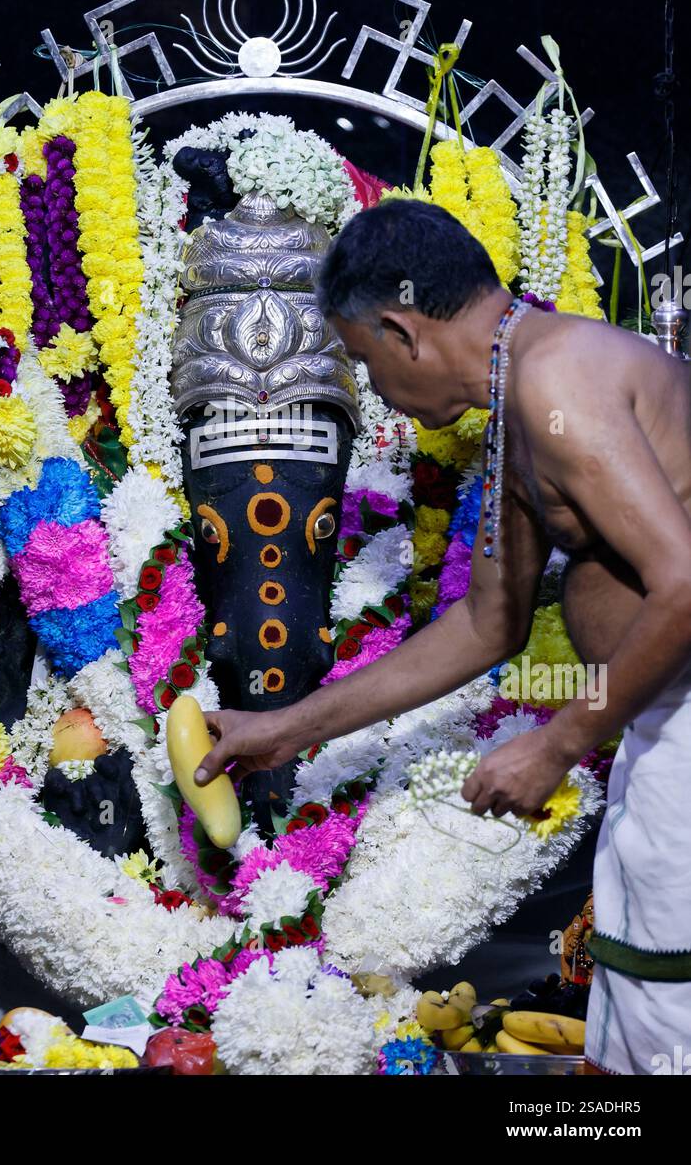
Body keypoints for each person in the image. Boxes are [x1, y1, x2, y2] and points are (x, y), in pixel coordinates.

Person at [194, 198, 691, 1075]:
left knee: (668, 1020)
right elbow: (486, 623)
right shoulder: (518, 400)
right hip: (659, 720)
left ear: (401, 328)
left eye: (362, 358)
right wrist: (289, 726)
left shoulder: (556, 380)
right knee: (637, 1014)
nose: (377, 391)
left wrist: (560, 740)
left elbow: (685, 584)